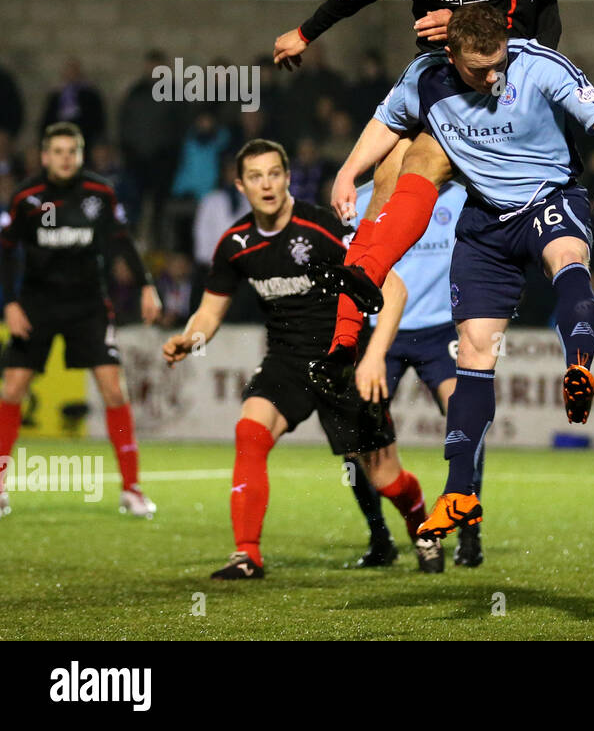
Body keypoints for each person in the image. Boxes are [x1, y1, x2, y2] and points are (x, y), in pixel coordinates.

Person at [315, 3, 594, 547]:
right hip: (486, 218)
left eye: (498, 64)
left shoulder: (540, 65)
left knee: (568, 262)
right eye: (479, 69)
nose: (493, 76)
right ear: (451, 54)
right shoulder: (424, 77)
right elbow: (383, 123)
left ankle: (578, 365)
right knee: (475, 350)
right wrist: (349, 171)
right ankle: (459, 492)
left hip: (549, 196)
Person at [272, 0, 561, 368]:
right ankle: (345, 329)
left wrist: (459, 21)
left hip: (517, 63)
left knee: (430, 167)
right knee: (387, 178)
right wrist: (306, 32)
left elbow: (522, 17)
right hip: (452, 72)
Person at [161, 139, 437, 579]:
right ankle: (247, 556)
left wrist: (374, 358)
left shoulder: (322, 228)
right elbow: (210, 311)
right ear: (240, 185)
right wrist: (189, 338)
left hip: (343, 360)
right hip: (286, 361)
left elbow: (393, 287)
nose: (266, 184)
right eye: (255, 177)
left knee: (385, 477)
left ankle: (424, 530)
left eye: (274, 173)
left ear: (288, 177)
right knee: (250, 431)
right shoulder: (236, 244)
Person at [0, 122, 161, 518]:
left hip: (89, 304)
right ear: (44, 156)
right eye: (57, 151)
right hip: (37, 304)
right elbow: (4, 252)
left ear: (81, 154)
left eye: (71, 151)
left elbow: (122, 239)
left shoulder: (100, 193)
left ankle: (132, 488)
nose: (65, 158)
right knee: (13, 388)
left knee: (113, 389)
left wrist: (145, 284)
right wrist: (9, 304)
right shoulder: (27, 198)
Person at [343, 178, 485, 569]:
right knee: (357, 436)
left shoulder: (463, 196)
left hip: (442, 329)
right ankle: (380, 537)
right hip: (381, 331)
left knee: (465, 417)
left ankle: (468, 532)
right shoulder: (364, 199)